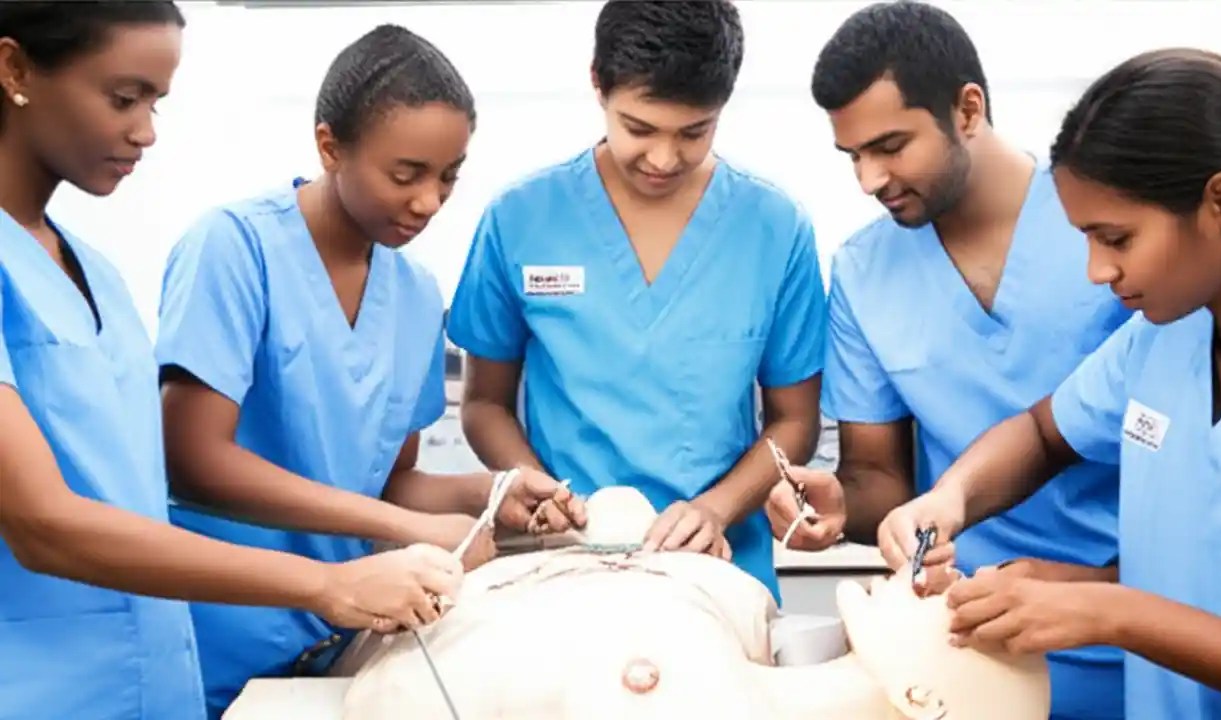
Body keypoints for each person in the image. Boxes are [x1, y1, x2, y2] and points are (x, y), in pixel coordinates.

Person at [0, 5, 463, 720]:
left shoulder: (94, 275)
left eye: (155, 102)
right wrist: (321, 583)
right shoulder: (232, 247)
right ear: (14, 69)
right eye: (124, 98)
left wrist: (487, 493)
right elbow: (43, 522)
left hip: (160, 682)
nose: (146, 131)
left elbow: (139, 499)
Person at [153, 24, 586, 717]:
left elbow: (394, 480)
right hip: (211, 638)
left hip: (344, 642)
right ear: (330, 147)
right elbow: (193, 461)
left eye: (448, 175)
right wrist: (397, 524)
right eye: (405, 174)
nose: (429, 202)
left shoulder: (413, 294)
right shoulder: (235, 249)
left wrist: (489, 491)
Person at [879, 47, 1221, 720]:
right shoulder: (1162, 336)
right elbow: (1042, 434)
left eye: (1116, 239)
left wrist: (1110, 611)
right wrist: (951, 500)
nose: (1097, 271)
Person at [763, 2, 1129, 717]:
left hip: (1135, 624)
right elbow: (879, 481)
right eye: (853, 157)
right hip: (964, 640)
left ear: (968, 109)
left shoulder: (1112, 230)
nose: (870, 178)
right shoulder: (864, 272)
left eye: (891, 145)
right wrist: (841, 510)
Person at [447, 0, 826, 602]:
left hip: (717, 572)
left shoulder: (774, 229)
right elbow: (485, 405)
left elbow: (795, 419)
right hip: (557, 568)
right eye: (639, 128)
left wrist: (716, 510)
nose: (663, 159)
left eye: (693, 132)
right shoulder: (520, 219)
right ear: (597, 84)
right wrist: (538, 489)